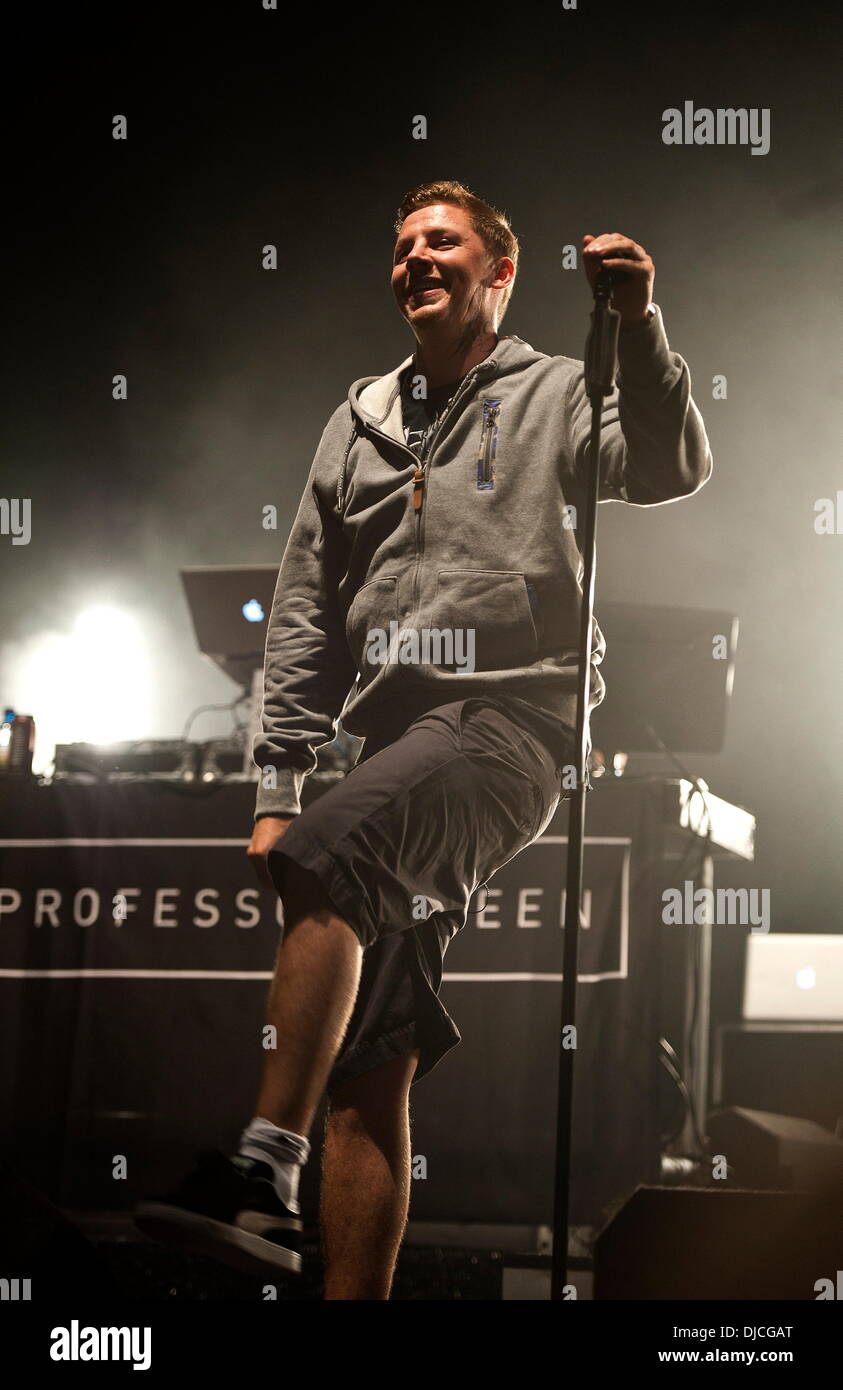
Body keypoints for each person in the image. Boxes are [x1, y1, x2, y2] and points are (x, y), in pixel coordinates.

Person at [134, 180, 713, 1299]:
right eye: (401, 247)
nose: (415, 260)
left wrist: (636, 324)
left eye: (441, 243)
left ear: (499, 272)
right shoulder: (357, 425)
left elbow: (671, 463)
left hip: (508, 723)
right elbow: (304, 611)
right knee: (369, 1063)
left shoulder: (556, 390)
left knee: (328, 859)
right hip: (393, 742)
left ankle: (261, 1170)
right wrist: (276, 779)